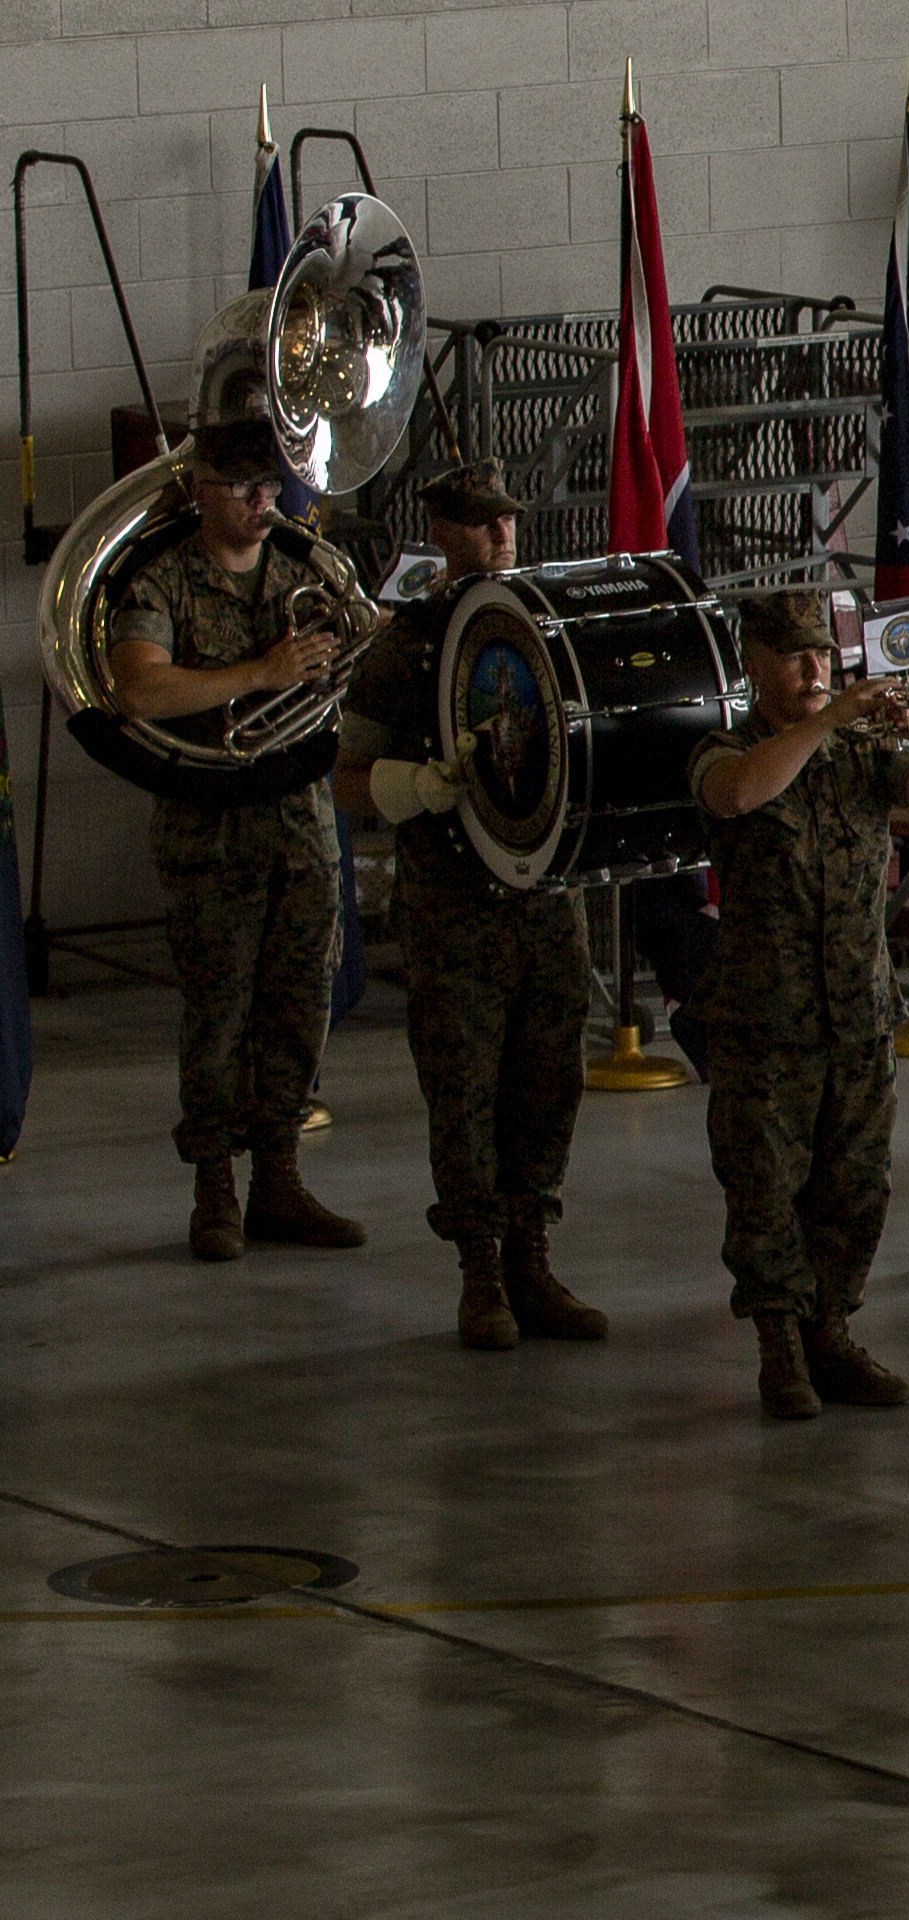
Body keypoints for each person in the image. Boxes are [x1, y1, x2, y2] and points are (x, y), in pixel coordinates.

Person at [694, 591, 909, 1418]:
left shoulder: (862, 748)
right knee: (767, 1186)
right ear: (753, 663)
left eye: (823, 653)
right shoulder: (725, 746)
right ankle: (779, 1346)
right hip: (765, 1015)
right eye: (794, 656)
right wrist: (828, 718)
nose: (816, 669)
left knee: (856, 1185)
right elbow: (739, 795)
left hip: (857, 1006)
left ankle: (832, 1332)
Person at [337, 463, 589, 1341]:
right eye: (482, 525)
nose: (502, 538)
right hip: (453, 900)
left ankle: (532, 1256)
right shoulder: (404, 646)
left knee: (551, 1077)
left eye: (508, 521)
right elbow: (345, 779)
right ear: (441, 533)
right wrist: (412, 784)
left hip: (546, 894)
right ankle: (480, 1270)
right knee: (464, 1085)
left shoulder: (549, 627)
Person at [105, 418, 363, 1263]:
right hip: (209, 830)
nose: (264, 503)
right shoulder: (161, 580)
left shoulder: (302, 571)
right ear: (199, 490)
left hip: (300, 822)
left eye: (270, 487)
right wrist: (263, 673)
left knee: (299, 1004)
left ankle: (279, 1179)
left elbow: (350, 663)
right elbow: (139, 690)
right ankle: (213, 1185)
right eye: (244, 489)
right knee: (218, 1012)